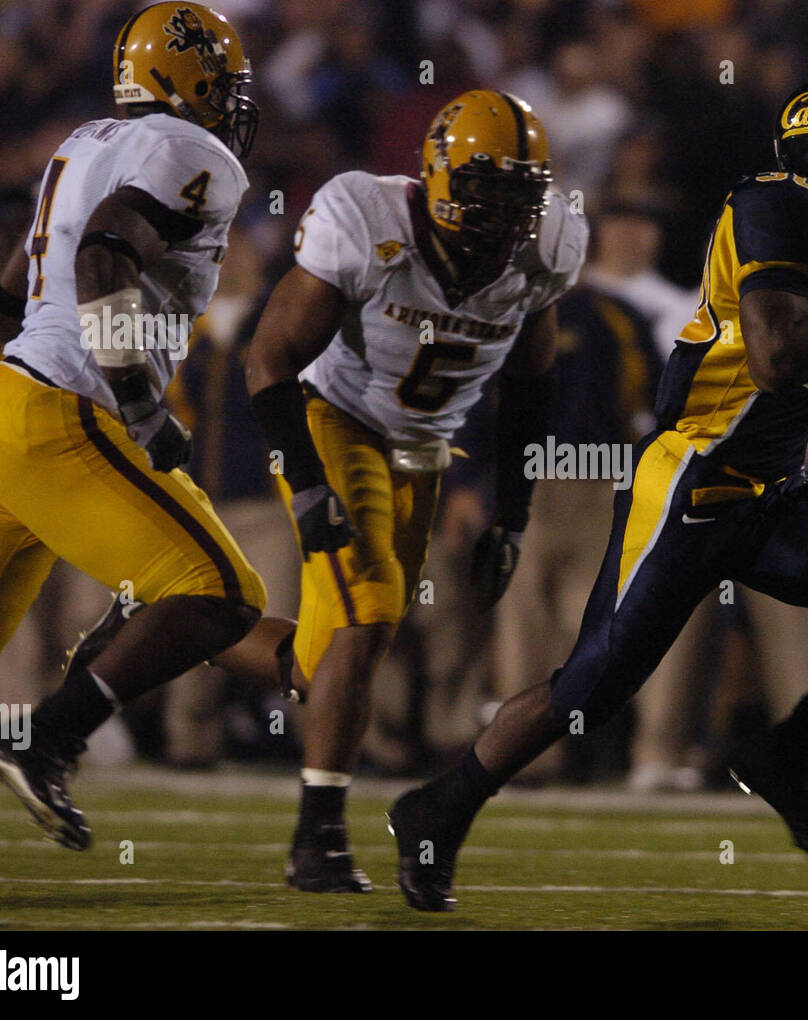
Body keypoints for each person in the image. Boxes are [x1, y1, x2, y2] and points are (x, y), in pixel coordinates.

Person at [387, 75, 808, 912]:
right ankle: (439, 805)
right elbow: (777, 357)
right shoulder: (777, 203)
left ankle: (786, 758)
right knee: (593, 686)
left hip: (769, 487)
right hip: (692, 478)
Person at [0, 3, 275, 848]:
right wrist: (142, 398)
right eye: (222, 86)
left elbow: (5, 294)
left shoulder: (82, 141)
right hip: (60, 417)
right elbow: (101, 256)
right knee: (222, 597)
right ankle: (52, 738)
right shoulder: (196, 152)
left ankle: (83, 675)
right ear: (185, 81)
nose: (232, 105)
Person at [242, 90, 587, 892]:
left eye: (518, 196)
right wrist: (301, 480)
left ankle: (180, 628)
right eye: (483, 191)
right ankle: (317, 839)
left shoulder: (549, 250)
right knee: (369, 618)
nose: (502, 216)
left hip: (426, 446)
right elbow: (268, 361)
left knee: (329, 659)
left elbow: (532, 389)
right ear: (434, 176)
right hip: (338, 420)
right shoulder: (365, 220)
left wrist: (512, 514)